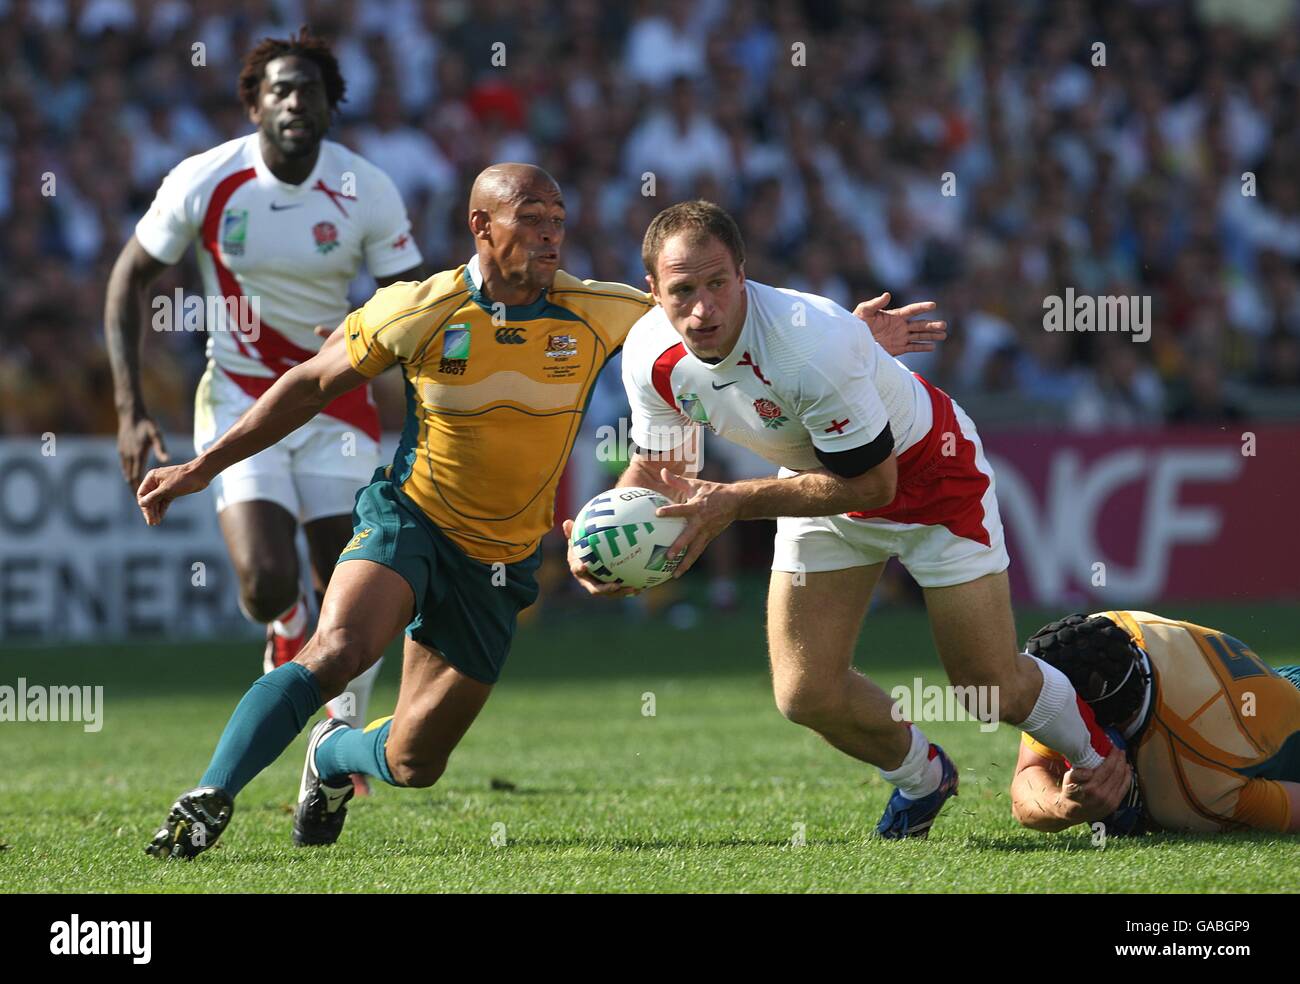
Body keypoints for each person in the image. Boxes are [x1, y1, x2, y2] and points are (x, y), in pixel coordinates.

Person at [134, 167, 942, 860]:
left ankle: (334, 755)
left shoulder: (603, 311)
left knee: (416, 761)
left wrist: (848, 330)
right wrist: (201, 467)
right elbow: (308, 386)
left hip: (504, 560)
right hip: (411, 519)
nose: (553, 234)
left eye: (560, 220)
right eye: (533, 220)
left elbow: (733, 317)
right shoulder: (416, 309)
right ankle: (212, 793)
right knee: (338, 647)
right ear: (481, 226)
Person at [573, 199, 1123, 839]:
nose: (704, 309)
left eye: (718, 283)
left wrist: (733, 502)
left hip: (928, 477)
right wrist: (599, 539)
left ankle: (1100, 761)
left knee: (988, 688)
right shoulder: (647, 352)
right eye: (683, 290)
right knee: (805, 693)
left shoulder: (808, 345)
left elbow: (873, 482)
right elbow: (656, 469)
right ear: (652, 291)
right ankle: (924, 777)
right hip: (819, 482)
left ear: (744, 273)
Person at [104, 31, 423, 777]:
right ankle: (285, 629)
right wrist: (130, 408)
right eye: (278, 90)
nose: (292, 102)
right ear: (253, 103)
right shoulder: (206, 178)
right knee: (266, 581)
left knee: (350, 578)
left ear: (329, 105)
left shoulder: (365, 187)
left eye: (307, 90)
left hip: (335, 400)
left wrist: (366, 327)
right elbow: (128, 280)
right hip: (241, 395)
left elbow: (413, 300)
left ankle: (332, 751)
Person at [1010, 611, 1300, 834]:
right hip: (1275, 684)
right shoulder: (1096, 637)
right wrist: (1065, 807)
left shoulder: (1195, 783)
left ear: (1110, 731)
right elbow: (1029, 774)